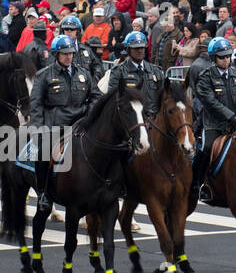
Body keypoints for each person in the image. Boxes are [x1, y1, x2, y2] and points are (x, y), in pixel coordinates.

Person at [28, 34, 99, 208]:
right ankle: (43, 193)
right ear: (56, 54)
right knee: (43, 152)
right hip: (56, 125)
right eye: (64, 53)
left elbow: (96, 96)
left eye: (71, 53)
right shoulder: (43, 75)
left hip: (81, 124)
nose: (68, 56)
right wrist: (38, 129)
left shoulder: (83, 74)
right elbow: (36, 105)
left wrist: (89, 113)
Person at [190, 37, 236, 203]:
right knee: (206, 148)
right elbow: (210, 101)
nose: (226, 59)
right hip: (213, 124)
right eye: (222, 57)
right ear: (213, 58)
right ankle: (197, 184)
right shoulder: (205, 77)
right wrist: (230, 116)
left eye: (228, 56)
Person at [105, 30, 165, 121]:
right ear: (128, 49)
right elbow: (113, 100)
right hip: (131, 123)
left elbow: (164, 98)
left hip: (154, 123)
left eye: (142, 47)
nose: (140, 50)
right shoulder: (118, 72)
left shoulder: (156, 71)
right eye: (136, 48)